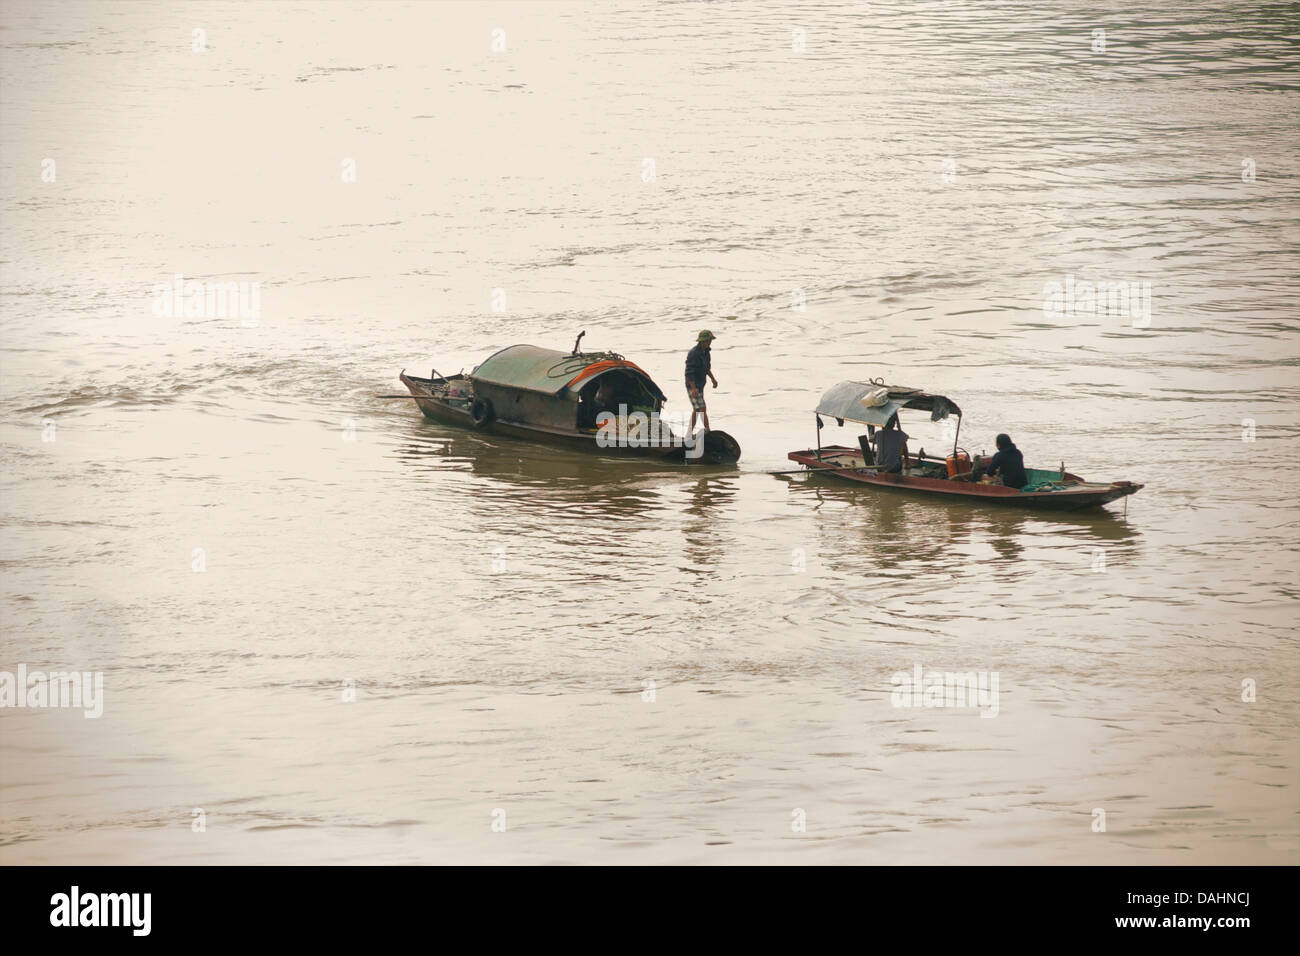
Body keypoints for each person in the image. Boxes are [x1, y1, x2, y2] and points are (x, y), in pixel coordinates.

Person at [684, 330, 718, 434]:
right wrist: (693, 389)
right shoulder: (693, 354)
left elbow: (707, 368)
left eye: (710, 340)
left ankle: (689, 433)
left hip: (700, 384)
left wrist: (713, 379)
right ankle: (708, 430)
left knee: (697, 409)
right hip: (692, 385)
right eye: (708, 340)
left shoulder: (706, 352)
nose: (709, 342)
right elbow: (689, 372)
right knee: (702, 408)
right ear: (702, 341)